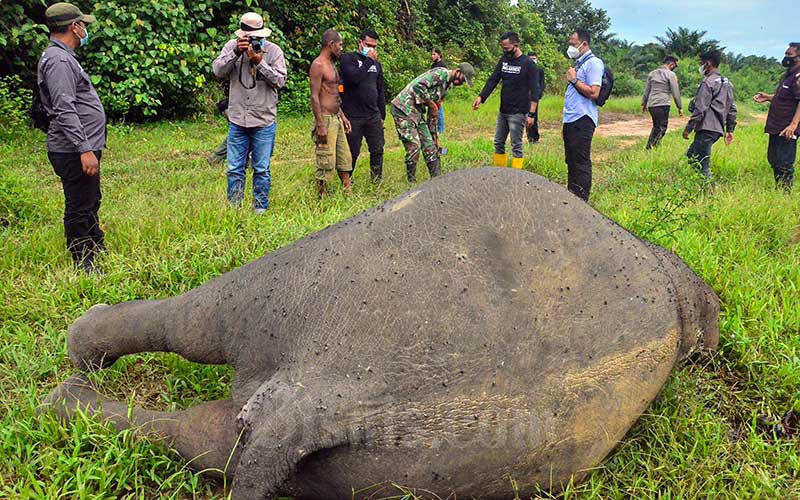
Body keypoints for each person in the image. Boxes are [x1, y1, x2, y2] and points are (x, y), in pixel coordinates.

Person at [38, 2, 106, 274]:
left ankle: (95, 245)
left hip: (80, 146)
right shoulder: (59, 61)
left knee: (90, 199)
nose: (85, 29)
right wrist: (84, 149)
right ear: (74, 27)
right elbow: (64, 109)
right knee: (78, 204)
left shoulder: (62, 57)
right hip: (73, 149)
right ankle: (84, 262)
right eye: (83, 24)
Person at [212, 12, 286, 214]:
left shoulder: (274, 51)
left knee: (261, 169)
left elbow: (280, 81)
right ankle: (234, 210)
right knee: (235, 169)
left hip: (263, 120)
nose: (254, 40)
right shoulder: (231, 47)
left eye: (258, 37)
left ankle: (260, 209)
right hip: (237, 119)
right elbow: (218, 71)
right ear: (242, 35)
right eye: (250, 37)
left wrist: (259, 62)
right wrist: (236, 52)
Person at [391, 62, 474, 182]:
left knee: (430, 146)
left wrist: (435, 137)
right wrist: (431, 103)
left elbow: (433, 113)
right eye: (463, 79)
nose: (462, 83)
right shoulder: (440, 74)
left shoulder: (447, 87)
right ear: (457, 71)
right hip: (403, 108)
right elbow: (417, 86)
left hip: (416, 112)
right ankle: (411, 182)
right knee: (414, 145)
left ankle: (437, 180)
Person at [472, 32, 539, 169]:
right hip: (503, 111)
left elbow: (535, 91)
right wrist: (481, 97)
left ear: (516, 45)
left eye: (507, 48)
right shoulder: (504, 60)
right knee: (498, 142)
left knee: (516, 145)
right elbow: (493, 79)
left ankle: (516, 176)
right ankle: (499, 173)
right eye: (503, 48)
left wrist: (531, 114)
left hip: (519, 112)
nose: (505, 51)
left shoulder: (528, 64)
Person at [682, 51, 736, 186]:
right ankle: (701, 186)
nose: (700, 67)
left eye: (701, 63)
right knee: (691, 156)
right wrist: (730, 129)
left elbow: (700, 108)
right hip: (717, 130)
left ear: (708, 63)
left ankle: (711, 191)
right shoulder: (727, 83)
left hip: (706, 128)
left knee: (702, 165)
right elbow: (732, 109)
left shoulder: (708, 82)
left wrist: (689, 128)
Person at [562, 29, 604, 201]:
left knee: (580, 161)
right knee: (571, 160)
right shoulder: (579, 63)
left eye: (573, 43)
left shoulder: (593, 63)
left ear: (584, 44)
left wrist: (574, 80)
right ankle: (572, 197)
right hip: (571, 118)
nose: (570, 47)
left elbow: (594, 92)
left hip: (583, 118)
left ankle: (581, 199)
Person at [309, 29, 352, 197]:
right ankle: (321, 196)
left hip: (336, 118)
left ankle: (347, 192)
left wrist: (342, 115)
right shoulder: (318, 65)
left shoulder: (332, 64)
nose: (341, 48)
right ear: (331, 44)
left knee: (344, 158)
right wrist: (320, 124)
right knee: (325, 160)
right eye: (340, 45)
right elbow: (314, 95)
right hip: (325, 119)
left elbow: (333, 93)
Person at [753, 43, 800, 192]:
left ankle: (785, 194)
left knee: (784, 163)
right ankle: (779, 190)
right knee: (773, 159)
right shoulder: (788, 74)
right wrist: (768, 97)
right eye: (786, 54)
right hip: (776, 125)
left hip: (787, 128)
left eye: (789, 55)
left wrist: (793, 125)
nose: (786, 58)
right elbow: (786, 97)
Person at [340, 29, 385, 182]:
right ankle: (347, 182)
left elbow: (380, 90)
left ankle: (376, 180)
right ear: (360, 43)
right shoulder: (348, 58)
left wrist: (382, 115)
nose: (371, 49)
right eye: (368, 45)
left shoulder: (377, 65)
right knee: (352, 151)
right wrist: (368, 61)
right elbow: (353, 79)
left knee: (377, 149)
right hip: (353, 115)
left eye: (374, 46)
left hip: (373, 114)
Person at [642, 55, 683, 149]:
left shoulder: (652, 73)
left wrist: (644, 103)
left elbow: (647, 90)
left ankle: (653, 146)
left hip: (652, 105)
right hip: (663, 104)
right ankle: (651, 147)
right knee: (662, 127)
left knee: (656, 126)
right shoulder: (670, 74)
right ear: (672, 64)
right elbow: (675, 92)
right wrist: (679, 107)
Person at [526, 51, 545, 144]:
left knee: (534, 117)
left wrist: (538, 94)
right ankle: (529, 137)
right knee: (526, 117)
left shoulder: (540, 70)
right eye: (531, 59)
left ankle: (535, 138)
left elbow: (542, 83)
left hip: (534, 97)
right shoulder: (525, 69)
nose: (532, 61)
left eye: (534, 58)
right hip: (525, 97)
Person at [431, 48, 447, 133]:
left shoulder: (442, 65)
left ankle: (441, 130)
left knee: (439, 109)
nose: (432, 56)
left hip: (439, 90)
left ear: (439, 54)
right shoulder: (434, 65)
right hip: (433, 90)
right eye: (432, 54)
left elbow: (444, 81)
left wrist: (442, 95)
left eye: (434, 54)